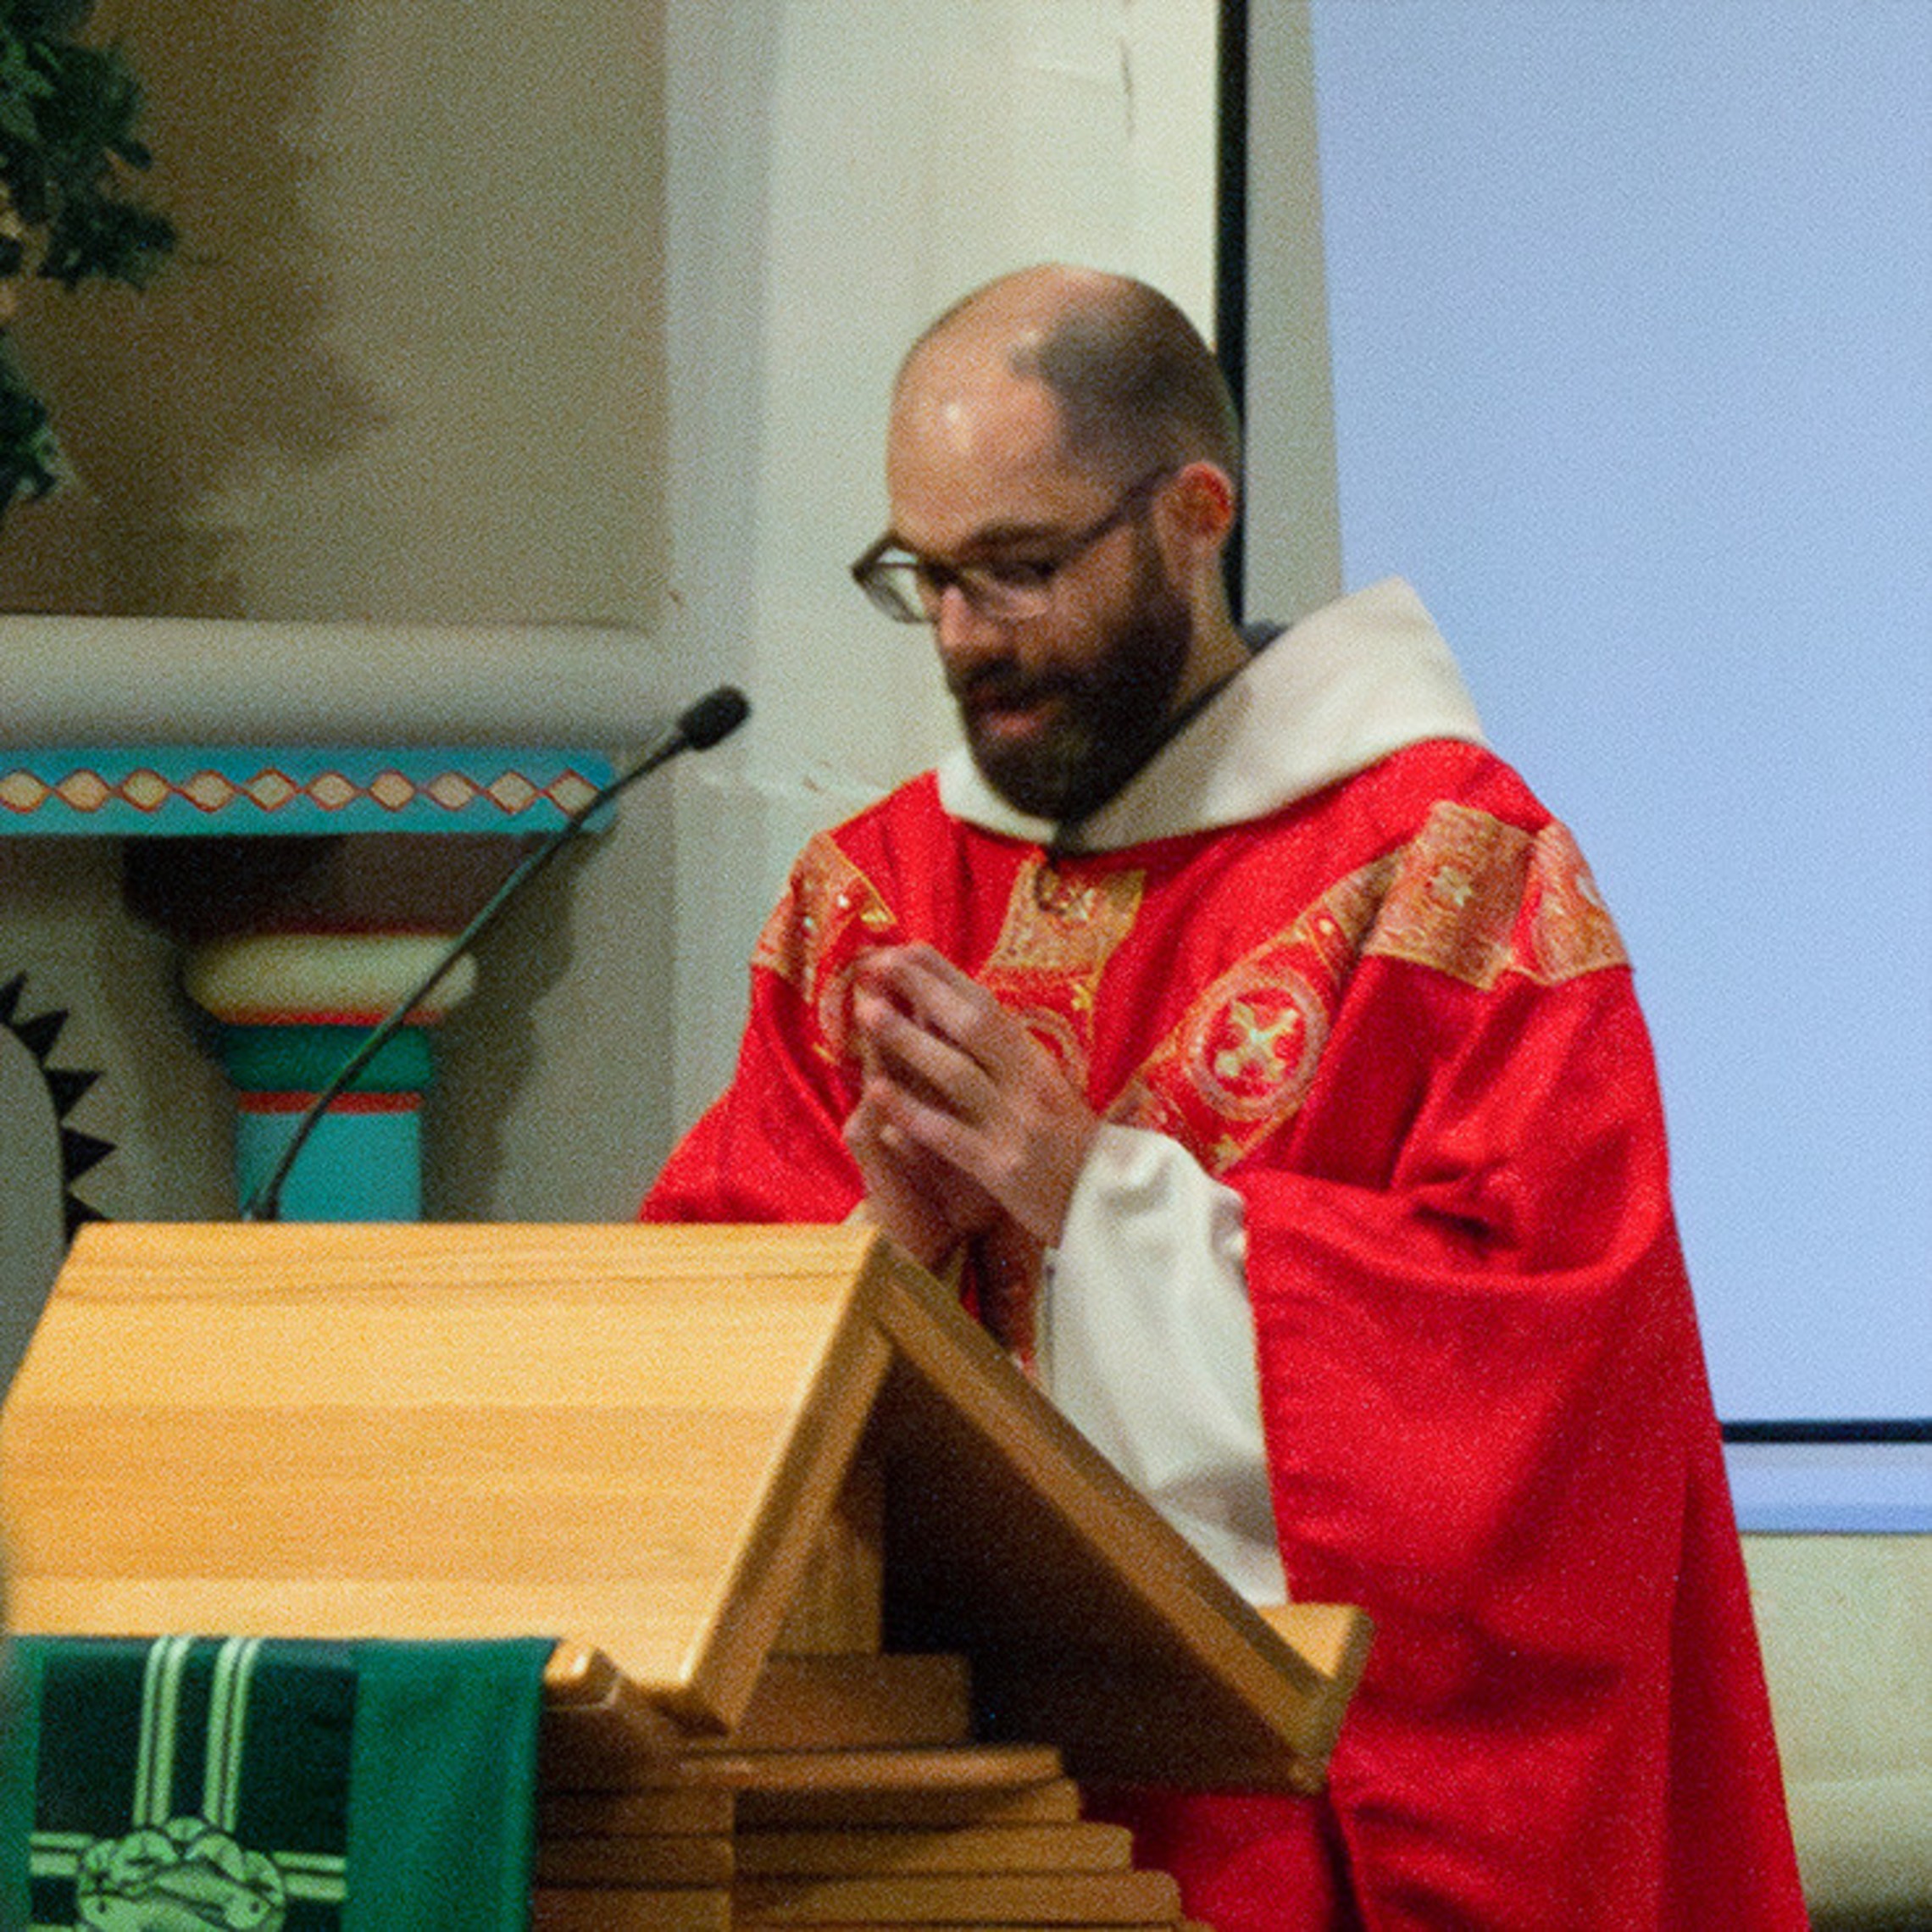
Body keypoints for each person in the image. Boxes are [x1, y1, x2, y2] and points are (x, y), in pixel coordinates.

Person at [644, 264, 1807, 1929]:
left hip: (1280, 1833)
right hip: (894, 1818)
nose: (968, 638)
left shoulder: (1446, 875)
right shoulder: (879, 890)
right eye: (927, 578)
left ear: (1195, 515)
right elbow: (693, 1350)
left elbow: (1548, 1387)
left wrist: (1083, 1196)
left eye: (1020, 569)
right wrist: (881, 1240)